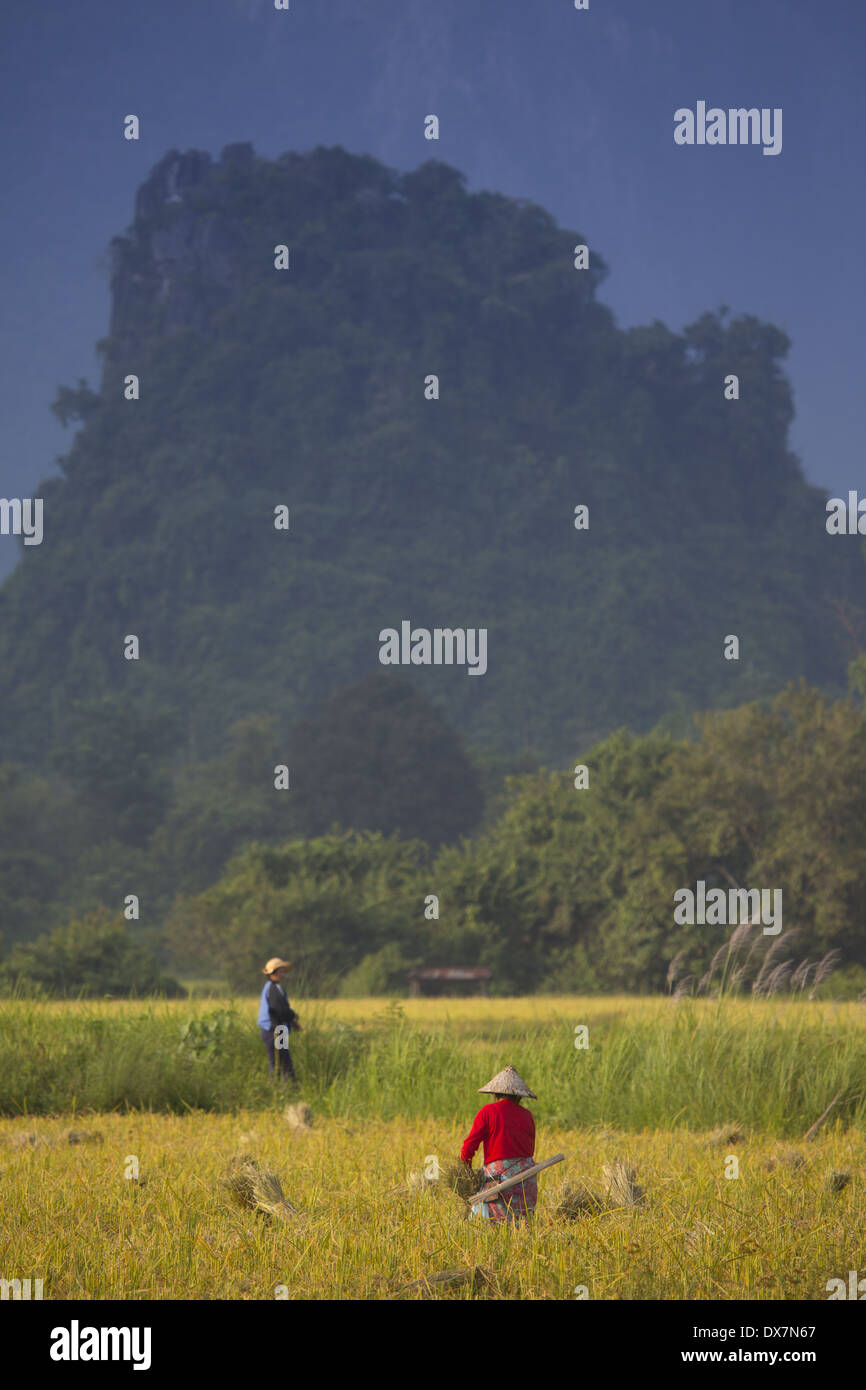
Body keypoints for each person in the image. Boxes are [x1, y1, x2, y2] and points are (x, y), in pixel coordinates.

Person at [460, 1065, 537, 1222]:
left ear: (495, 1093)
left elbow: (469, 1147)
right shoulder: (527, 1115)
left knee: (497, 1226)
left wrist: (466, 1171)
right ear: (519, 1096)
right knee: (523, 1224)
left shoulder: (488, 1112)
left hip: (499, 1176)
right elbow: (529, 1148)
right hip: (528, 1175)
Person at [257, 957, 301, 1085]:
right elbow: (279, 1011)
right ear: (272, 973)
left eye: (284, 971)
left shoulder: (276, 988)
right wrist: (293, 1015)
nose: (283, 974)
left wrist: (292, 1022)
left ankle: (289, 1088)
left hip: (279, 1029)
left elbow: (282, 1010)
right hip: (274, 1031)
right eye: (281, 971)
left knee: (284, 1061)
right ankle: (275, 1090)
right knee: (277, 1063)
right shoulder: (273, 989)